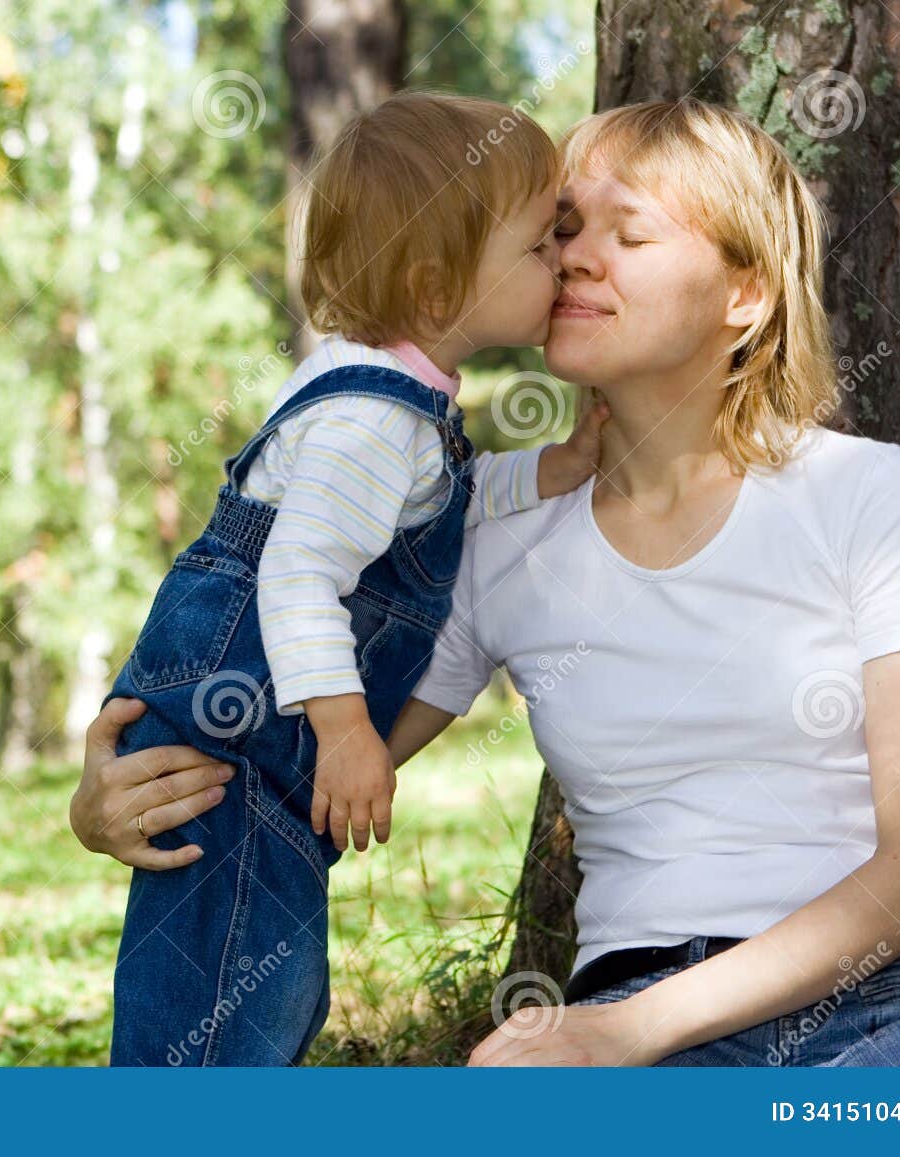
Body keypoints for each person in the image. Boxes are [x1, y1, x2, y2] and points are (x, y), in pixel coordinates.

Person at [73, 97, 900, 1067]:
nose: (577, 258)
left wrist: (628, 1030)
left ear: (745, 295)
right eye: (563, 229)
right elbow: (309, 762)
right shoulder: (493, 535)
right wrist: (123, 797)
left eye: (628, 234)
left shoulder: (864, 493)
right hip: (630, 1010)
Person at [98, 90, 606, 1067]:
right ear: (433, 285)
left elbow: (427, 509)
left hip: (245, 744)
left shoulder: (390, 399)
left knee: (246, 980)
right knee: (233, 999)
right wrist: (342, 729)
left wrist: (555, 467)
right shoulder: (375, 420)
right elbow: (297, 574)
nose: (561, 262)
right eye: (539, 246)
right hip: (245, 752)